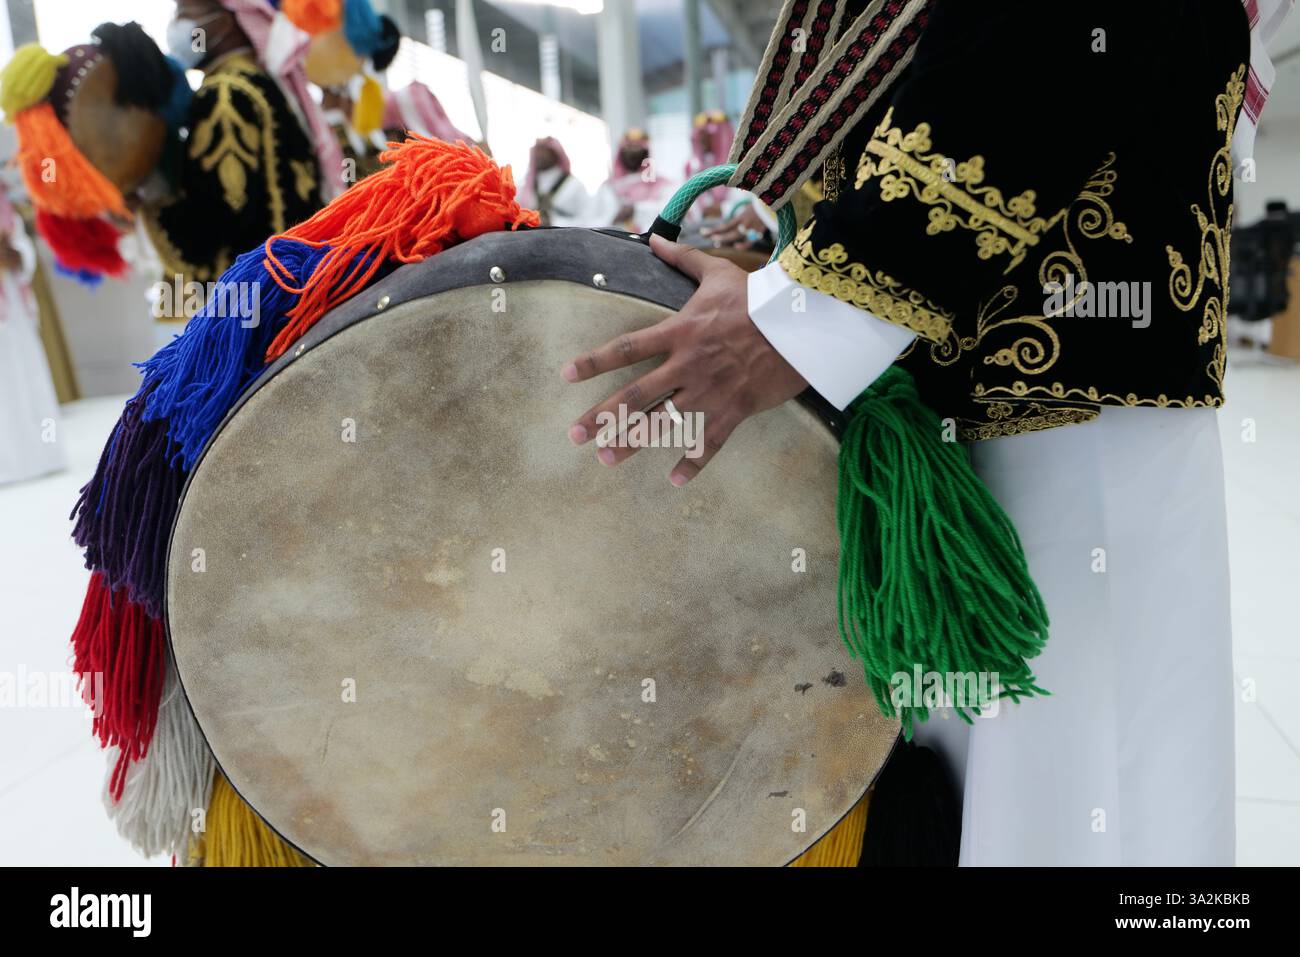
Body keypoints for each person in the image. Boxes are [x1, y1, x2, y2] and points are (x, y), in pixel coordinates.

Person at [563, 0, 1291, 865]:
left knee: (1074, 801)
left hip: (1066, 392)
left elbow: (1054, 34)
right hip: (935, 406)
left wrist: (804, 316)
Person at [141, 0, 326, 316]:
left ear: (225, 23)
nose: (176, 25)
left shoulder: (224, 95)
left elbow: (211, 225)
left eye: (185, 13)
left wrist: (148, 203)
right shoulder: (260, 83)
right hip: (296, 288)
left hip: (259, 308)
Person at [0, 190, 65, 485]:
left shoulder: (4, 202)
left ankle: (44, 456)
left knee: (28, 375)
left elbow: (22, 244)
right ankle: (9, 465)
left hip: (14, 303)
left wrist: (16, 255)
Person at [591, 128, 672, 233]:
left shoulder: (661, 184)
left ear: (646, 153)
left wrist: (635, 209)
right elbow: (594, 219)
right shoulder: (608, 186)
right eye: (629, 147)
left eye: (637, 148)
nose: (632, 153)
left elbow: (668, 213)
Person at [520, 137, 591, 227]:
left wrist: (555, 222)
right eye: (537, 150)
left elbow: (588, 221)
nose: (539, 155)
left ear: (555, 154)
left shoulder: (574, 185)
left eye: (544, 150)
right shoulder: (523, 187)